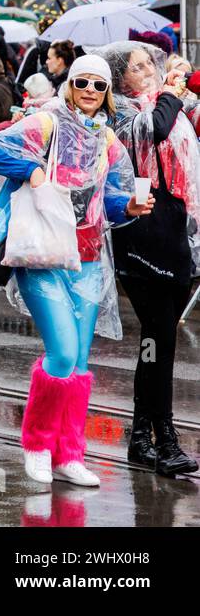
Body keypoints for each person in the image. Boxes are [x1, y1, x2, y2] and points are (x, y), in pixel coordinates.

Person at [0, 54, 150, 487]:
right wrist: (32, 168)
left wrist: (128, 205)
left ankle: (68, 453)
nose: (90, 91)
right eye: (82, 82)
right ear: (69, 85)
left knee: (79, 361)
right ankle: (37, 445)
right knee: (61, 354)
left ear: (107, 93)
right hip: (42, 254)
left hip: (87, 258)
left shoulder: (109, 139)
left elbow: (110, 199)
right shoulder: (46, 122)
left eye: (98, 85)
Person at [102, 42, 200, 476]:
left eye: (150, 65)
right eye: (137, 67)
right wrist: (172, 95)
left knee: (157, 341)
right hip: (142, 229)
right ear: (120, 79)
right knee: (159, 336)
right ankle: (165, 439)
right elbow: (155, 129)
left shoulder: (165, 105)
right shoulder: (120, 114)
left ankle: (142, 438)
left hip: (174, 225)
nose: (148, 72)